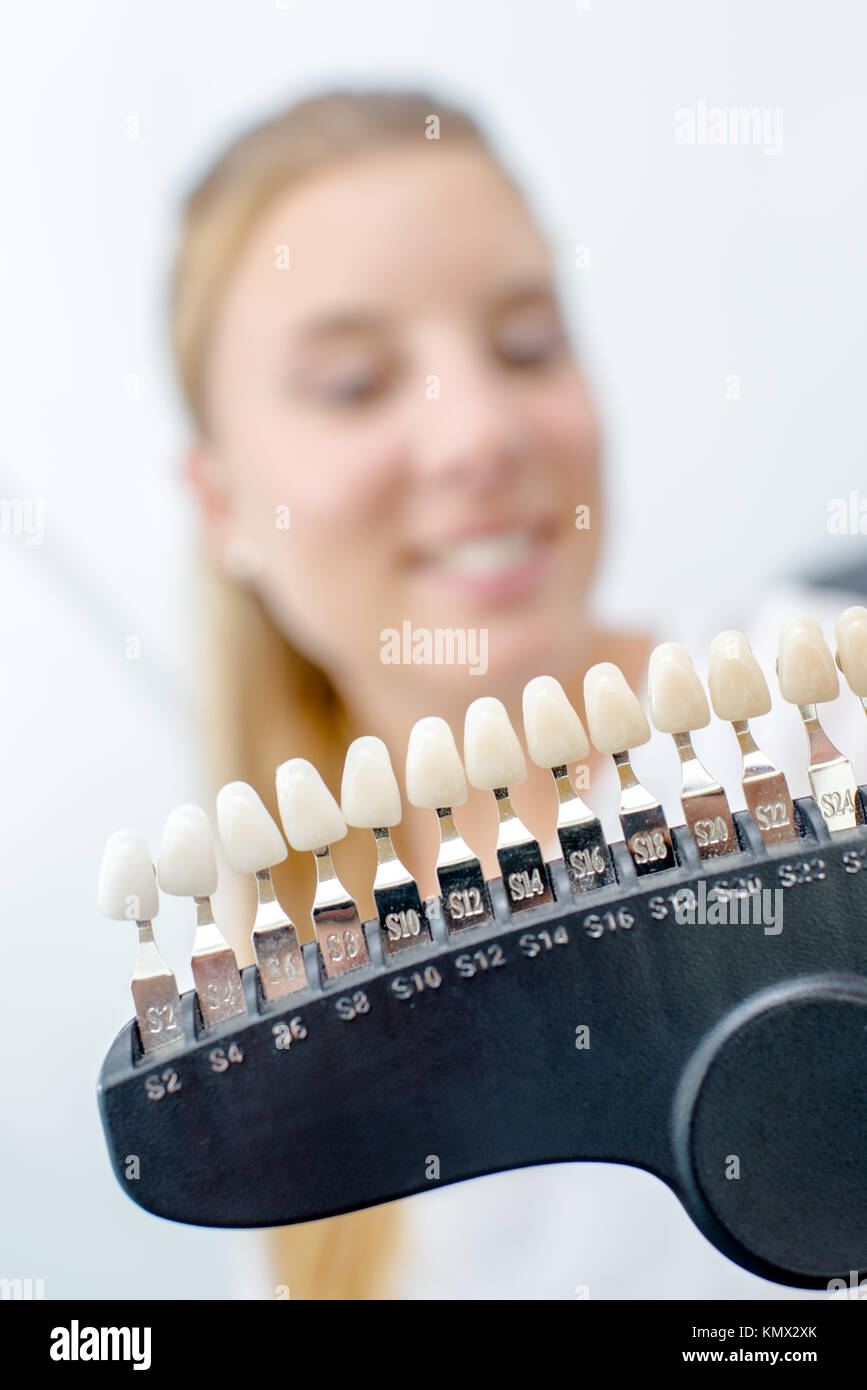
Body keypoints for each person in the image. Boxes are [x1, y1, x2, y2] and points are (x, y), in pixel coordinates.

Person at [171, 89, 866, 1300]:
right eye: (352, 383)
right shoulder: (264, 1032)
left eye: (527, 344)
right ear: (225, 503)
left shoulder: (831, 711)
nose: (480, 430)